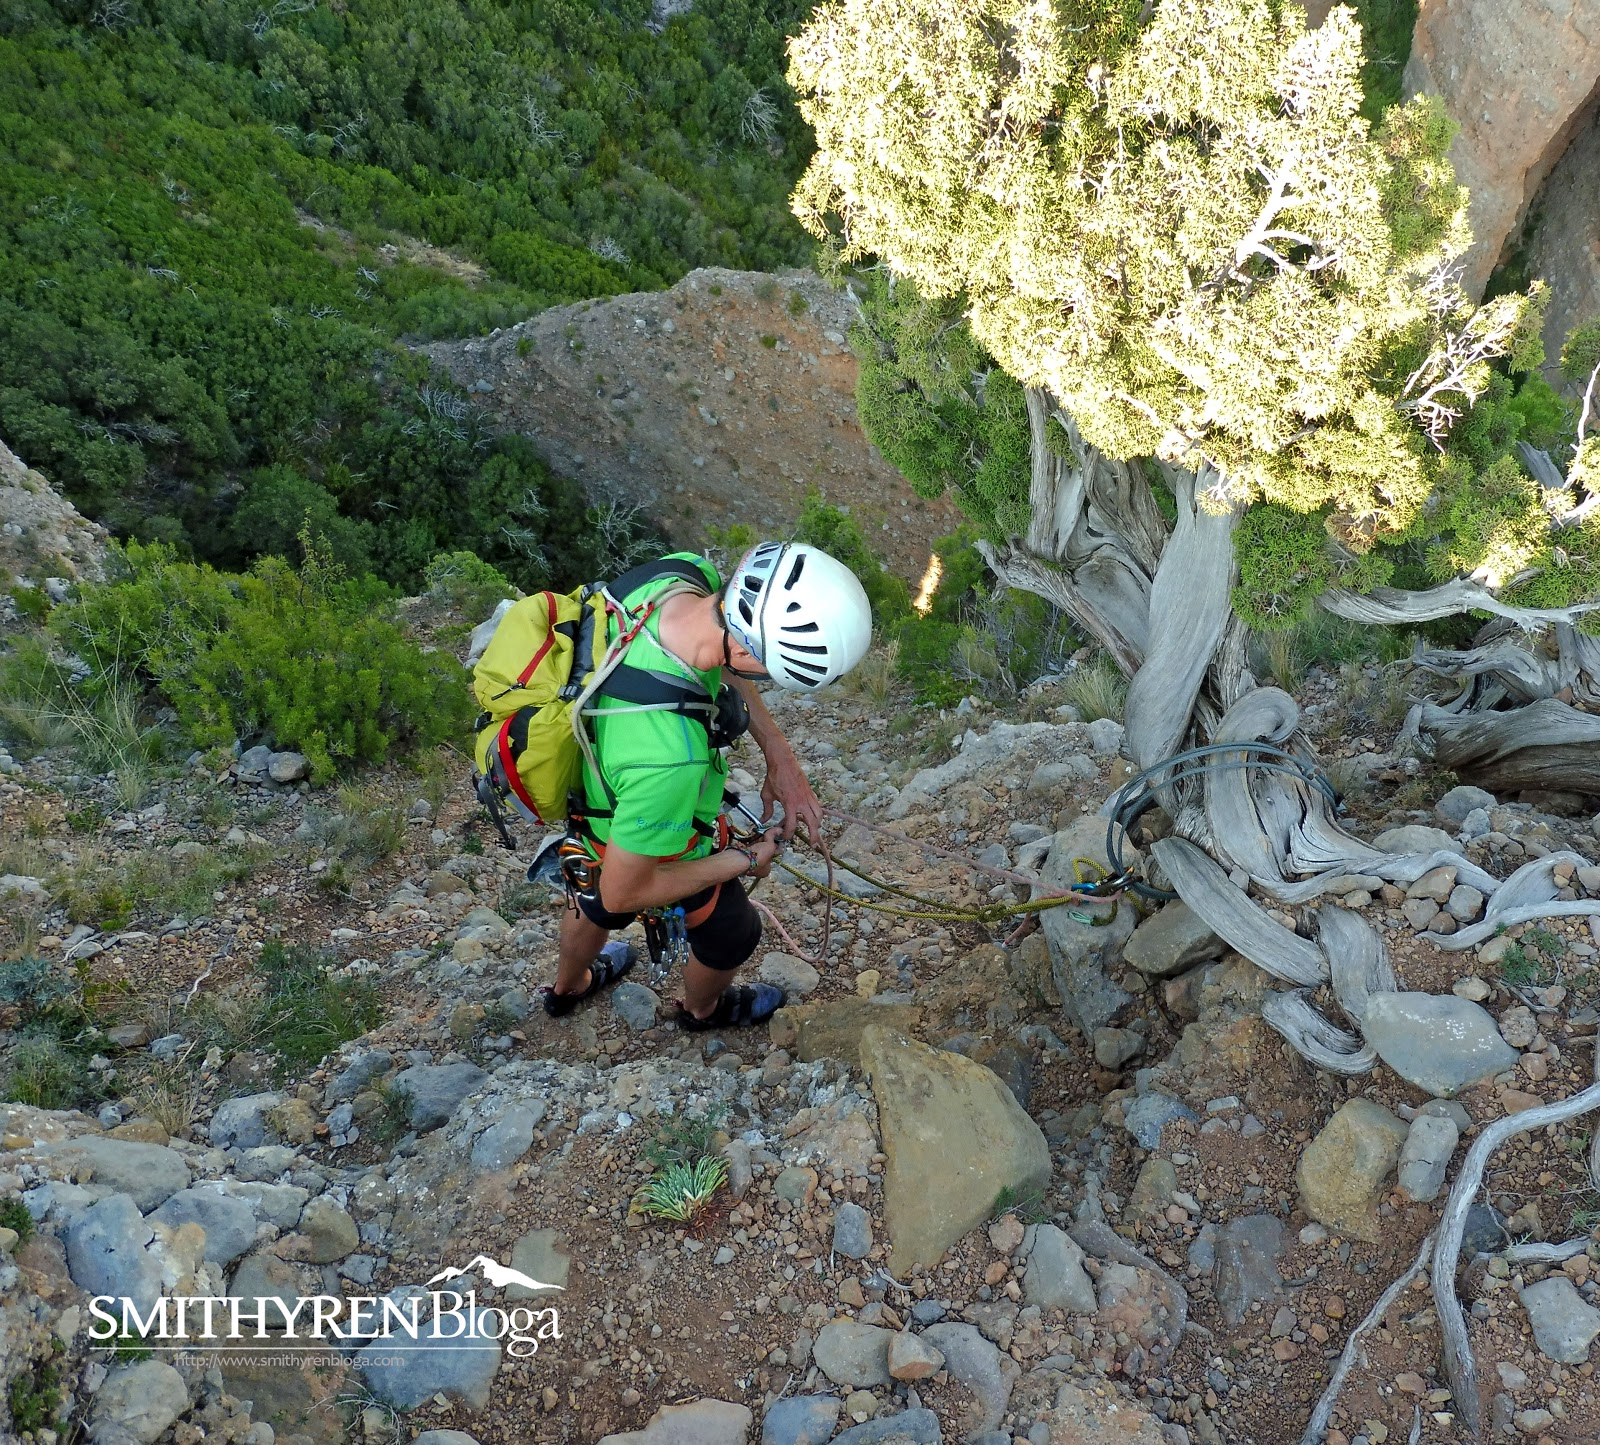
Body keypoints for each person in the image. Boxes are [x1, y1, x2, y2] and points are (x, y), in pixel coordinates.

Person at [541, 540, 873, 1029]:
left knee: (591, 897)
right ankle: (700, 1010)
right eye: (769, 670)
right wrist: (744, 860)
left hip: (595, 794)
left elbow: (729, 653)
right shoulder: (672, 758)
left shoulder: (679, 577)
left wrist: (780, 756)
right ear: (744, 649)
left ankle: (567, 988)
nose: (763, 678)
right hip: (648, 819)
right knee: (733, 933)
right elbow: (622, 894)